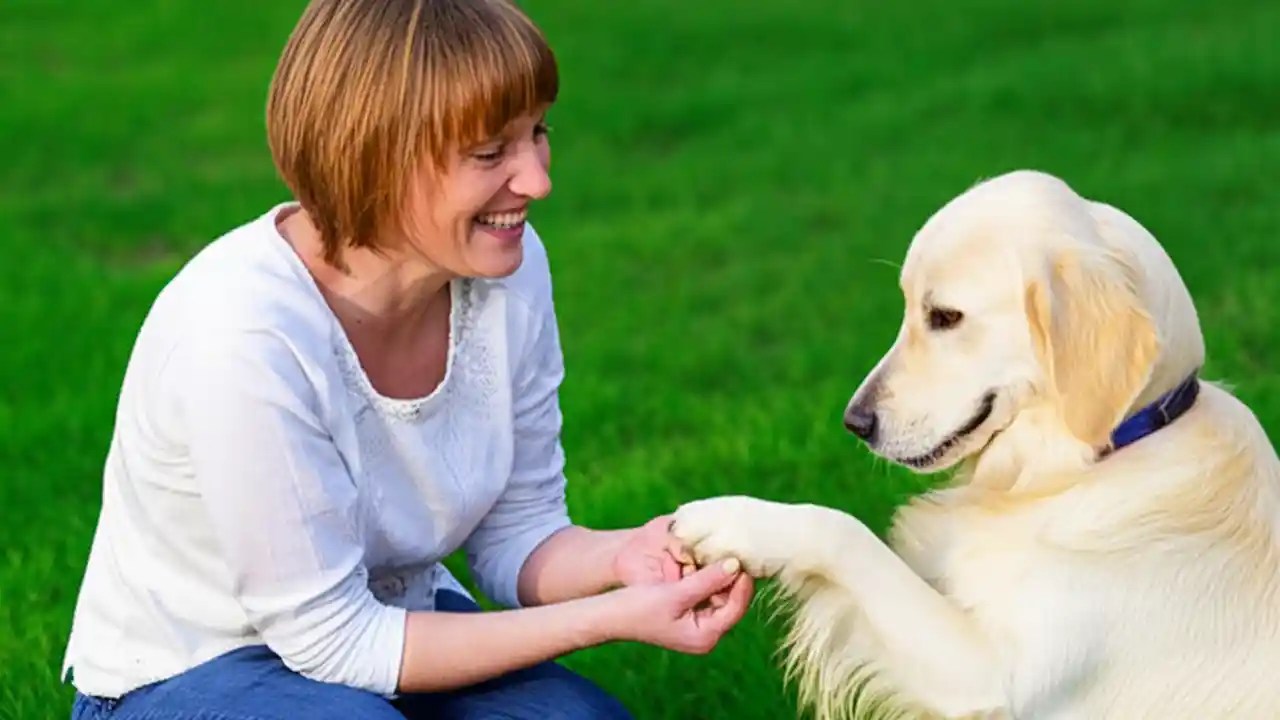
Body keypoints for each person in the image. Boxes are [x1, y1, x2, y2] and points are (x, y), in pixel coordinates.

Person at [62, 1, 755, 718]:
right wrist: (606, 618)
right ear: (374, 155)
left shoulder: (506, 273)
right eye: (490, 153)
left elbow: (517, 532)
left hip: (385, 622)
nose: (538, 181)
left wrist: (622, 559)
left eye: (538, 133)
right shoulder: (244, 335)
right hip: (189, 670)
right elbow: (332, 645)